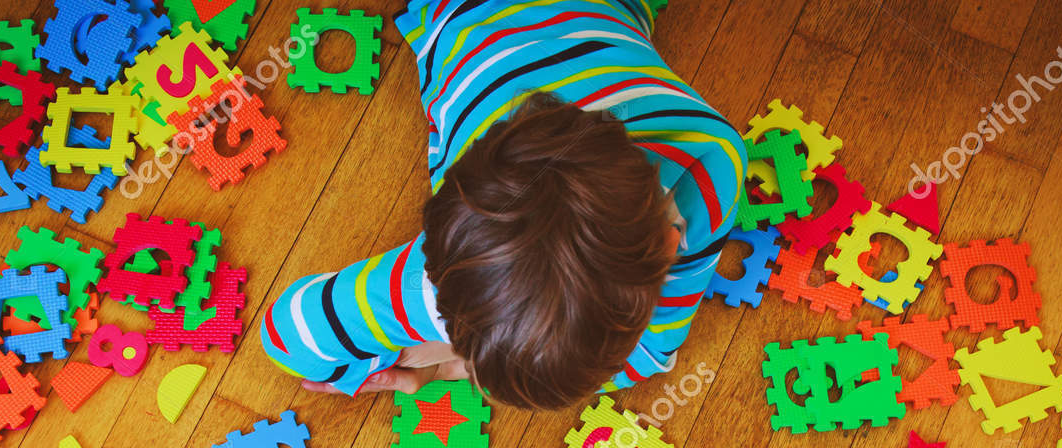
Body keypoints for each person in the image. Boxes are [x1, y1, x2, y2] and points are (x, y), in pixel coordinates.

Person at [260, 0, 746, 410]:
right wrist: (446, 356)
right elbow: (286, 336)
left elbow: (654, 353)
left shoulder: (710, 154)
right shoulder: (433, 278)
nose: (681, 239)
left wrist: (457, 360)